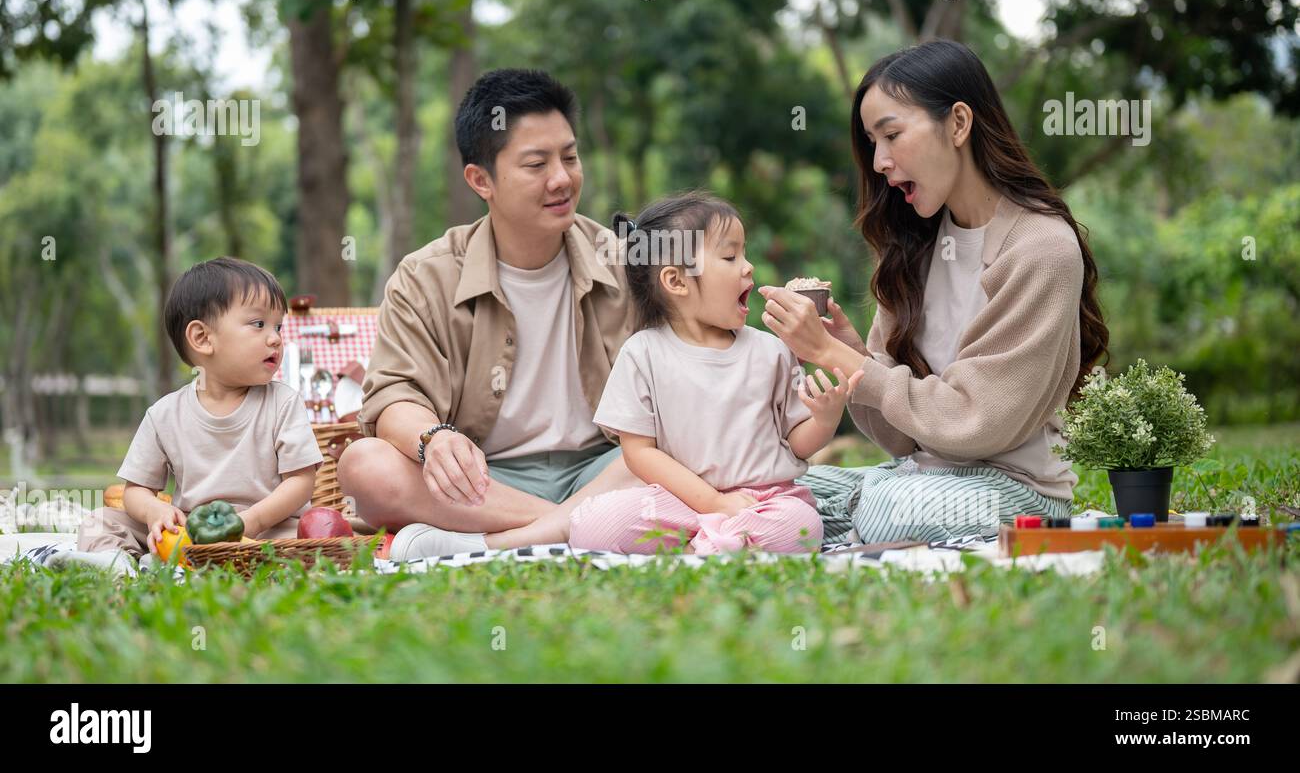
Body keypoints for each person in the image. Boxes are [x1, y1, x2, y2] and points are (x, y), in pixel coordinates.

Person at [761, 39, 1109, 546]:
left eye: (892, 135)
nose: (879, 161)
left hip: (1016, 490)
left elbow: (976, 423)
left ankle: (845, 519)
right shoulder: (914, 246)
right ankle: (827, 516)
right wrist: (852, 354)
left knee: (887, 513)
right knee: (772, 489)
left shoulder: (1040, 248)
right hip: (917, 477)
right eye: (872, 142)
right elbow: (904, 438)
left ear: (959, 124)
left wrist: (833, 354)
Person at [340, 68, 642, 561]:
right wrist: (433, 439)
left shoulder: (627, 261)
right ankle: (581, 523)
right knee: (364, 465)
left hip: (607, 467)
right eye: (536, 164)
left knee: (671, 452)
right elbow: (393, 392)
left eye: (569, 157)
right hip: (485, 480)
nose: (562, 179)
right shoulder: (426, 276)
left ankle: (502, 541)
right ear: (482, 180)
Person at [568, 191, 853, 554]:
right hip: (679, 501)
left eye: (744, 254)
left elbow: (795, 441)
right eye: (730, 256)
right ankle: (719, 544)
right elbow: (639, 453)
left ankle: (697, 549)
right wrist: (713, 504)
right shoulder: (642, 353)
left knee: (799, 525)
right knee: (594, 524)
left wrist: (825, 419)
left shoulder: (771, 351)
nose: (748, 266)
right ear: (677, 282)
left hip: (762, 500)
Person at [74, 257, 322, 565]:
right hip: (192, 531)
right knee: (101, 521)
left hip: (269, 530)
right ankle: (117, 566)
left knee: (313, 534)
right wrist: (156, 511)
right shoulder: (164, 414)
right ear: (203, 338)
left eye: (278, 326)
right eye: (259, 324)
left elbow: (301, 481)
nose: (275, 338)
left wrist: (253, 521)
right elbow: (136, 490)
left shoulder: (283, 403)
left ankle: (174, 563)